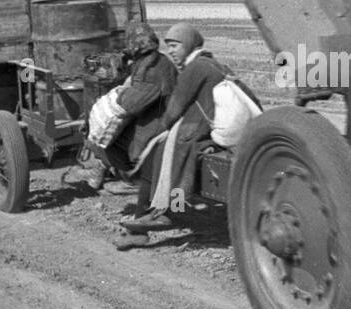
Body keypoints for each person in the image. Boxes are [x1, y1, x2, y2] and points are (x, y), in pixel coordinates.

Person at [119, 22, 259, 239]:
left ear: (189, 44)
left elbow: (175, 108)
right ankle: (153, 216)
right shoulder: (212, 63)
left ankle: (169, 212)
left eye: (175, 45)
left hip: (197, 130)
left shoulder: (195, 68)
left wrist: (161, 129)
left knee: (162, 152)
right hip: (212, 127)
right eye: (169, 46)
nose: (171, 51)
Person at [77, 22, 177, 200]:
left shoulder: (151, 68)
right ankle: (110, 170)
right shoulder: (155, 60)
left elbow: (132, 104)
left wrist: (115, 96)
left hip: (157, 124)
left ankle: (132, 179)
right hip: (157, 116)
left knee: (103, 138)